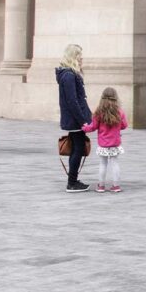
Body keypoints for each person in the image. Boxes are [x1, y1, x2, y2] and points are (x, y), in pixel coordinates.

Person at [57, 44, 92, 193]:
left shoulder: (68, 74)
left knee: (76, 148)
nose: (81, 58)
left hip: (74, 119)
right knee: (78, 149)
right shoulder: (69, 76)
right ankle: (72, 182)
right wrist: (83, 120)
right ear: (73, 57)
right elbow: (72, 101)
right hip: (75, 120)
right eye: (79, 55)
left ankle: (73, 180)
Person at [82, 87, 129, 193]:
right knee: (115, 163)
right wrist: (117, 127)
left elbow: (93, 127)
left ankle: (101, 186)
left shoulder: (99, 112)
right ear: (115, 97)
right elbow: (124, 125)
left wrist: (84, 127)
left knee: (103, 164)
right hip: (115, 143)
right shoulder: (119, 112)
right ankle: (116, 186)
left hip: (103, 144)